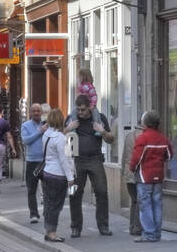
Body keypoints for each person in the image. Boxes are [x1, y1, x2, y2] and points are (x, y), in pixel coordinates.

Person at [65, 95, 114, 237]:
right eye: (78, 109)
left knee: (102, 192)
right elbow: (63, 142)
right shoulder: (72, 118)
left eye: (83, 110)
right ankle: (75, 227)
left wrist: (102, 130)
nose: (80, 113)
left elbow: (111, 139)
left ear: (90, 107)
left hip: (95, 159)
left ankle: (103, 226)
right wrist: (69, 128)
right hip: (78, 160)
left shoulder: (100, 118)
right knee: (74, 193)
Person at [128, 111, 173, 243]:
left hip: (144, 177)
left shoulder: (143, 138)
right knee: (157, 204)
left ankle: (149, 233)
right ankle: (156, 233)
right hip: (158, 176)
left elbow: (136, 157)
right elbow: (169, 155)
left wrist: (132, 168)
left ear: (145, 123)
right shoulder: (163, 138)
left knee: (145, 205)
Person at [40, 107, 76, 242]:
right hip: (58, 175)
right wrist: (70, 178)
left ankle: (48, 230)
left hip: (47, 173)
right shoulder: (61, 138)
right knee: (56, 205)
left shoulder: (46, 134)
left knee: (49, 204)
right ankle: (52, 233)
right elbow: (64, 159)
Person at [20, 102, 45, 222]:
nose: (36, 113)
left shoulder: (46, 125)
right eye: (34, 111)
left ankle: (48, 212)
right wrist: (39, 132)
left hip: (45, 161)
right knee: (31, 190)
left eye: (38, 111)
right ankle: (34, 214)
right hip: (32, 161)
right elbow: (25, 140)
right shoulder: (25, 125)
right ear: (30, 113)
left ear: (41, 113)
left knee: (48, 189)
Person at [121, 119, 144, 238]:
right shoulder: (145, 136)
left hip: (129, 173)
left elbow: (124, 156)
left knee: (134, 201)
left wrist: (123, 173)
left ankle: (132, 226)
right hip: (140, 174)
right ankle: (137, 227)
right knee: (140, 201)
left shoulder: (129, 135)